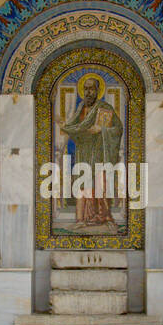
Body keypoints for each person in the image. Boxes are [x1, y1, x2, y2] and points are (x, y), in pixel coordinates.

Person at [59, 74, 123, 228]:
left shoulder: (104, 108)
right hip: (83, 152)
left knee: (101, 185)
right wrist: (66, 126)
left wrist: (102, 129)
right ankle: (82, 220)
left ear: (97, 90)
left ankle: (106, 219)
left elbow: (117, 128)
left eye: (91, 89)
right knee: (83, 185)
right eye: (85, 89)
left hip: (99, 152)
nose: (88, 92)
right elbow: (74, 126)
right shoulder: (81, 107)